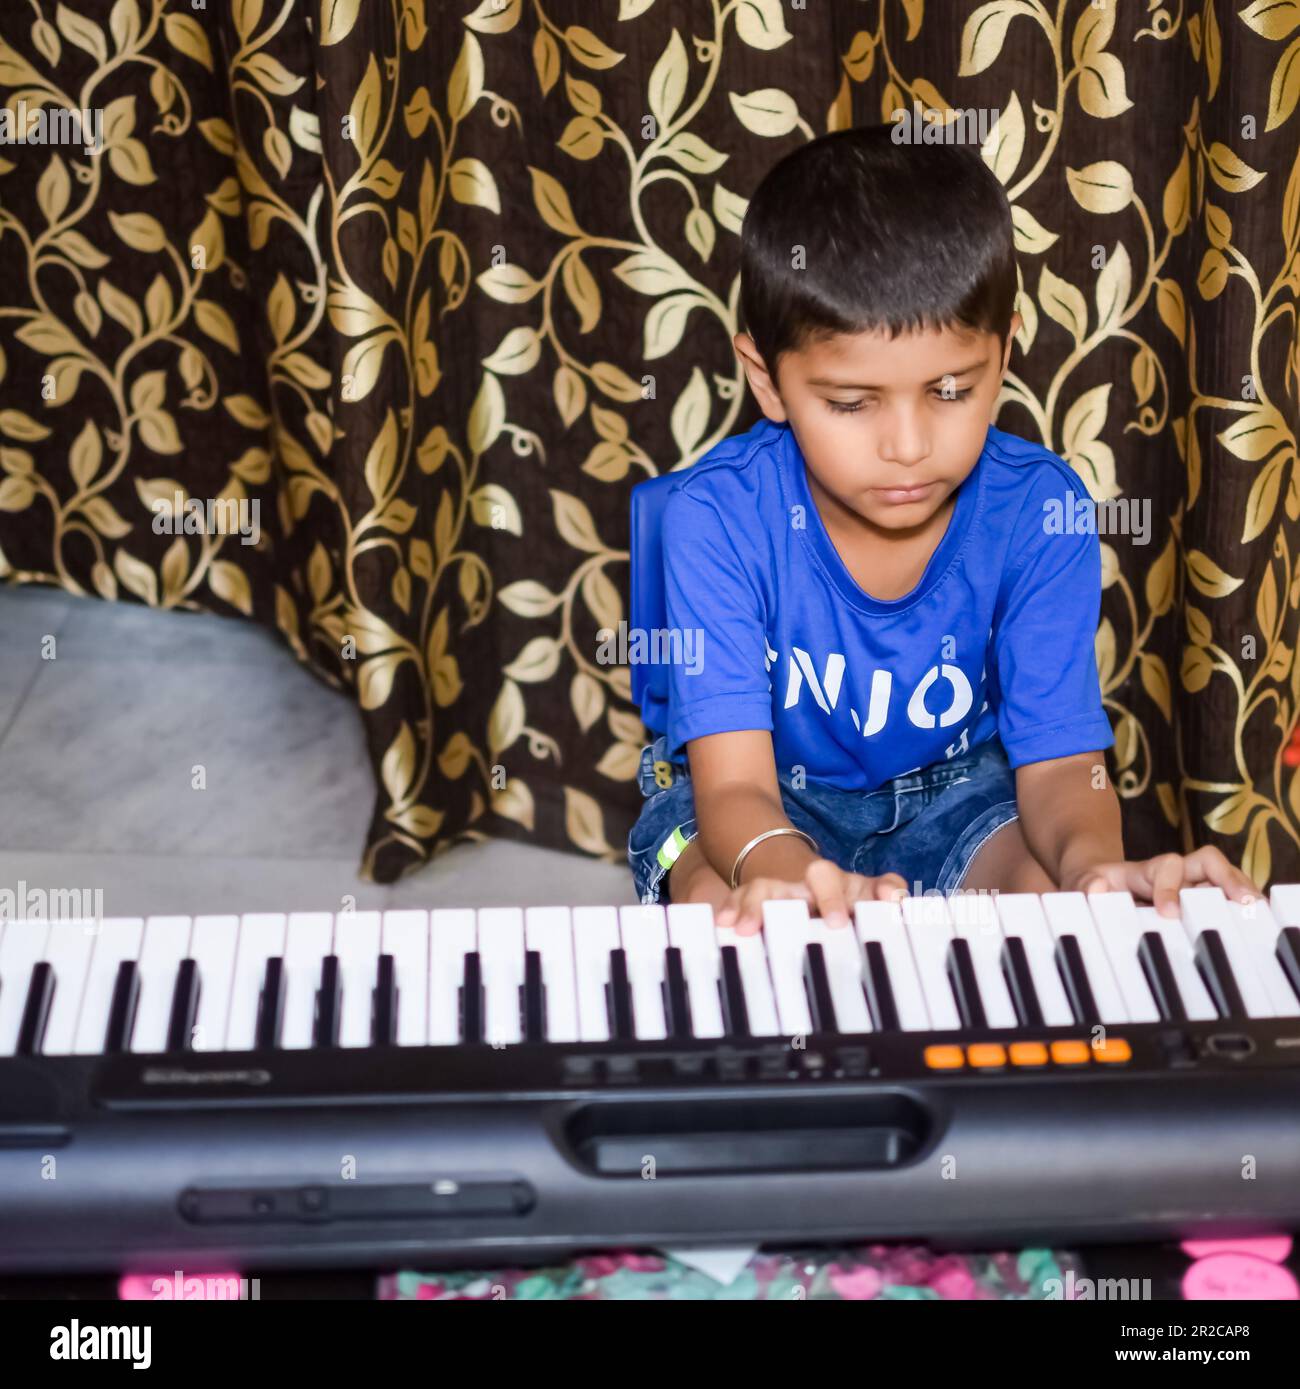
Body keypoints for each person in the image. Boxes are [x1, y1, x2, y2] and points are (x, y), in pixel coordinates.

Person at [627, 123, 1257, 935]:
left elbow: (1063, 766)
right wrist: (802, 884)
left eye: (952, 390)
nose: (909, 447)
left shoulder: (1042, 513)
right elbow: (731, 790)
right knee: (714, 889)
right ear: (767, 381)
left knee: (1053, 894)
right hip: (764, 802)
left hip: (957, 790)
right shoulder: (714, 519)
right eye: (851, 403)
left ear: (1006, 354)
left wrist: (1096, 872)